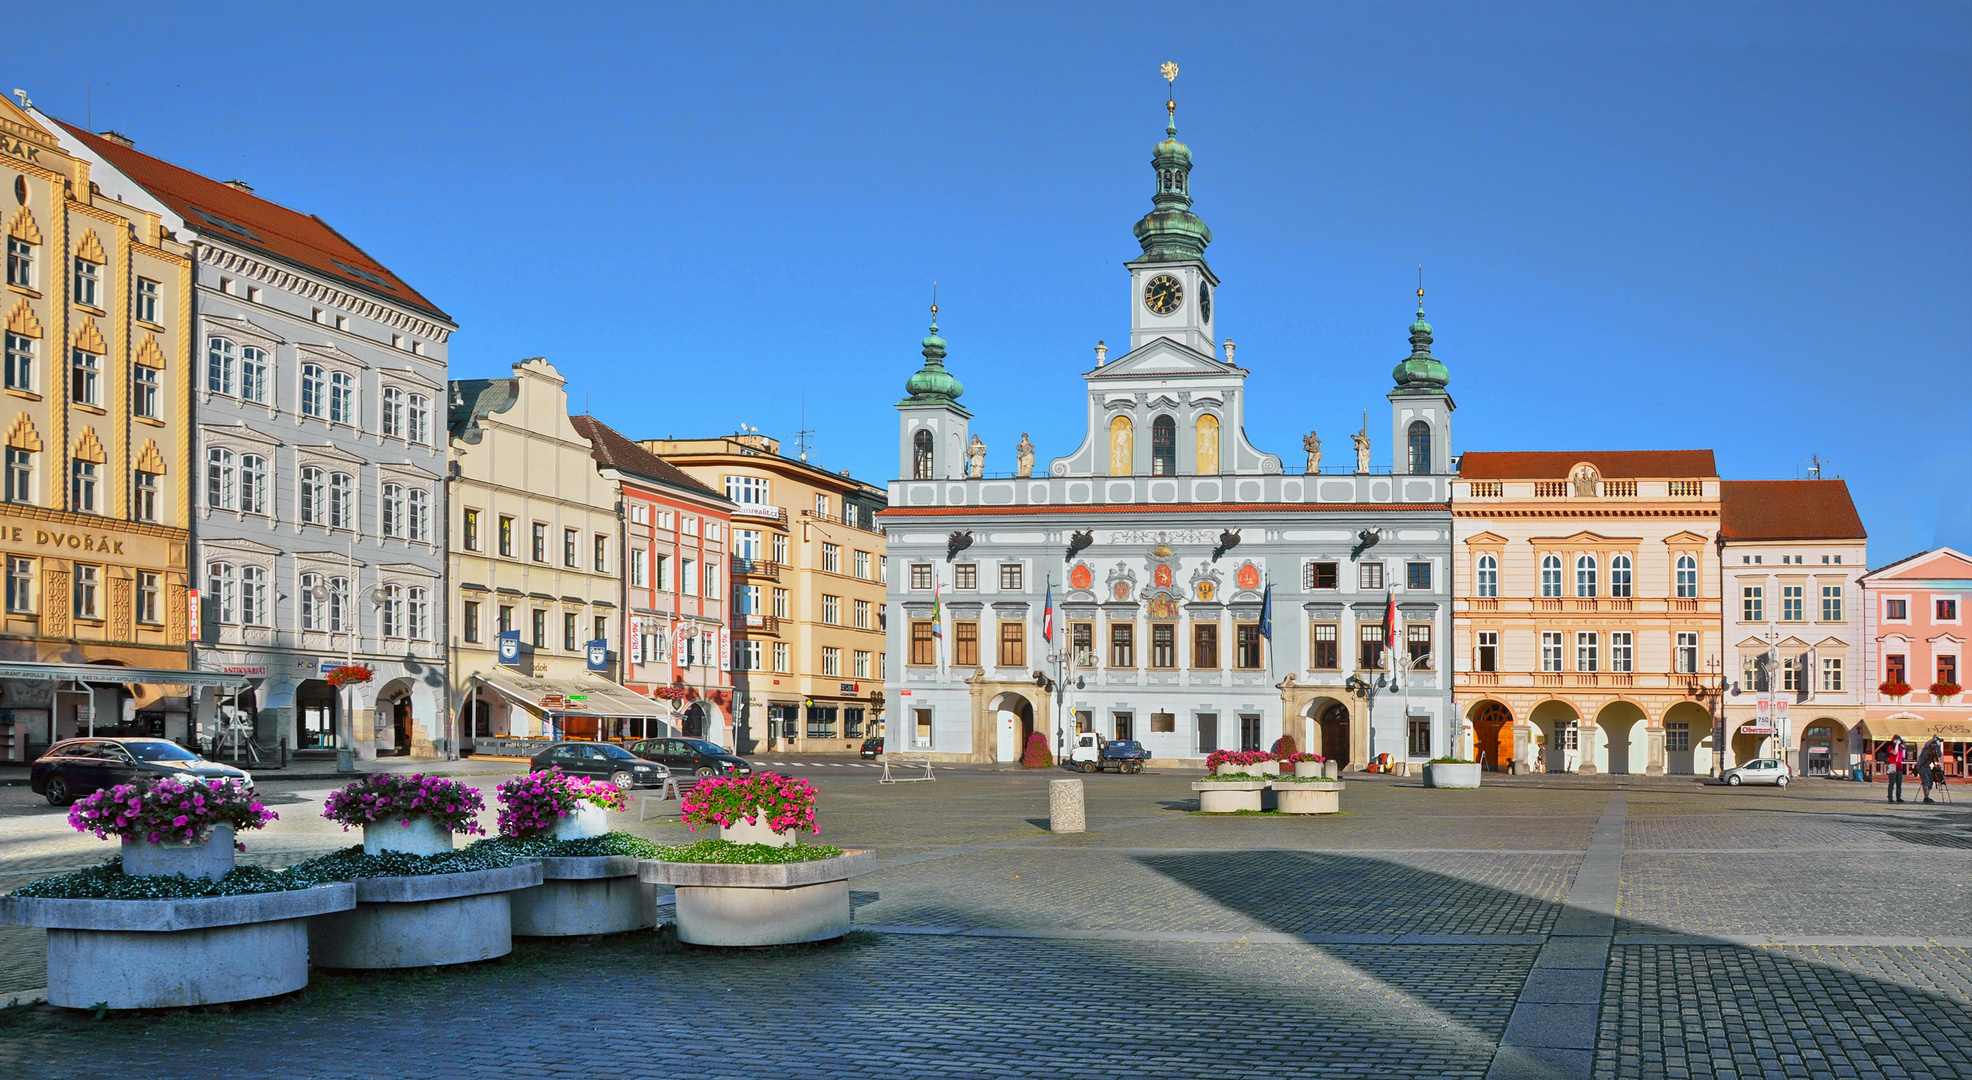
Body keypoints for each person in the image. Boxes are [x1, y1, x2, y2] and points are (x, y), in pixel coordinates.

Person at [1917, 735, 1945, 803]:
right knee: (1926, 781)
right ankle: (1926, 797)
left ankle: (1927, 796)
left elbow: (1939, 755)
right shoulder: (1926, 748)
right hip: (1921, 766)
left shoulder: (1933, 750)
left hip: (1927, 766)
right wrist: (1933, 740)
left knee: (1931, 781)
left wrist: (1939, 745)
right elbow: (1926, 744)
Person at [1885, 735, 1907, 803]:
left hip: (1899, 766)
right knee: (1891, 782)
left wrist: (1903, 749)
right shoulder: (1890, 747)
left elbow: (1903, 756)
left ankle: (1899, 797)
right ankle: (1890, 797)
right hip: (1892, 765)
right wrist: (1896, 745)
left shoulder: (1900, 747)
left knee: (1899, 782)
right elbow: (1894, 753)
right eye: (1895, 740)